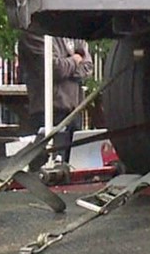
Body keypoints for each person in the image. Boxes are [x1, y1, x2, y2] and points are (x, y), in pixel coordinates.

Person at [17, 30, 94, 168]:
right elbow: (53, 69)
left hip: (74, 111)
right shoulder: (34, 34)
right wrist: (75, 59)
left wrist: (67, 65)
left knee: (74, 166)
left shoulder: (74, 32)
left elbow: (88, 67)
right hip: (47, 111)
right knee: (47, 166)